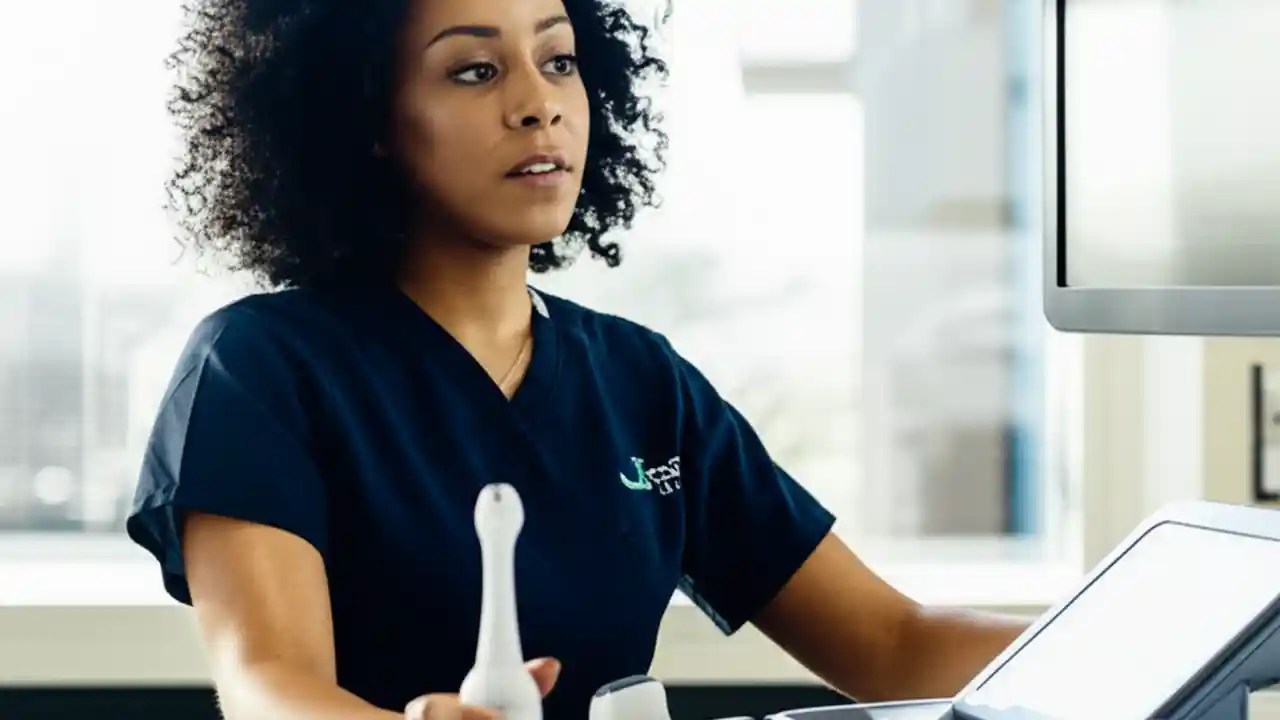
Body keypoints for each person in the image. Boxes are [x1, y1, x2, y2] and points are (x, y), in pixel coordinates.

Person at [125, 0, 1031, 718]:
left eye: (558, 59)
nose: (539, 101)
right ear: (368, 119)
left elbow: (892, 642)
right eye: (475, 70)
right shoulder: (261, 369)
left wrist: (1145, 644)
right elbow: (269, 688)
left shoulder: (642, 382)